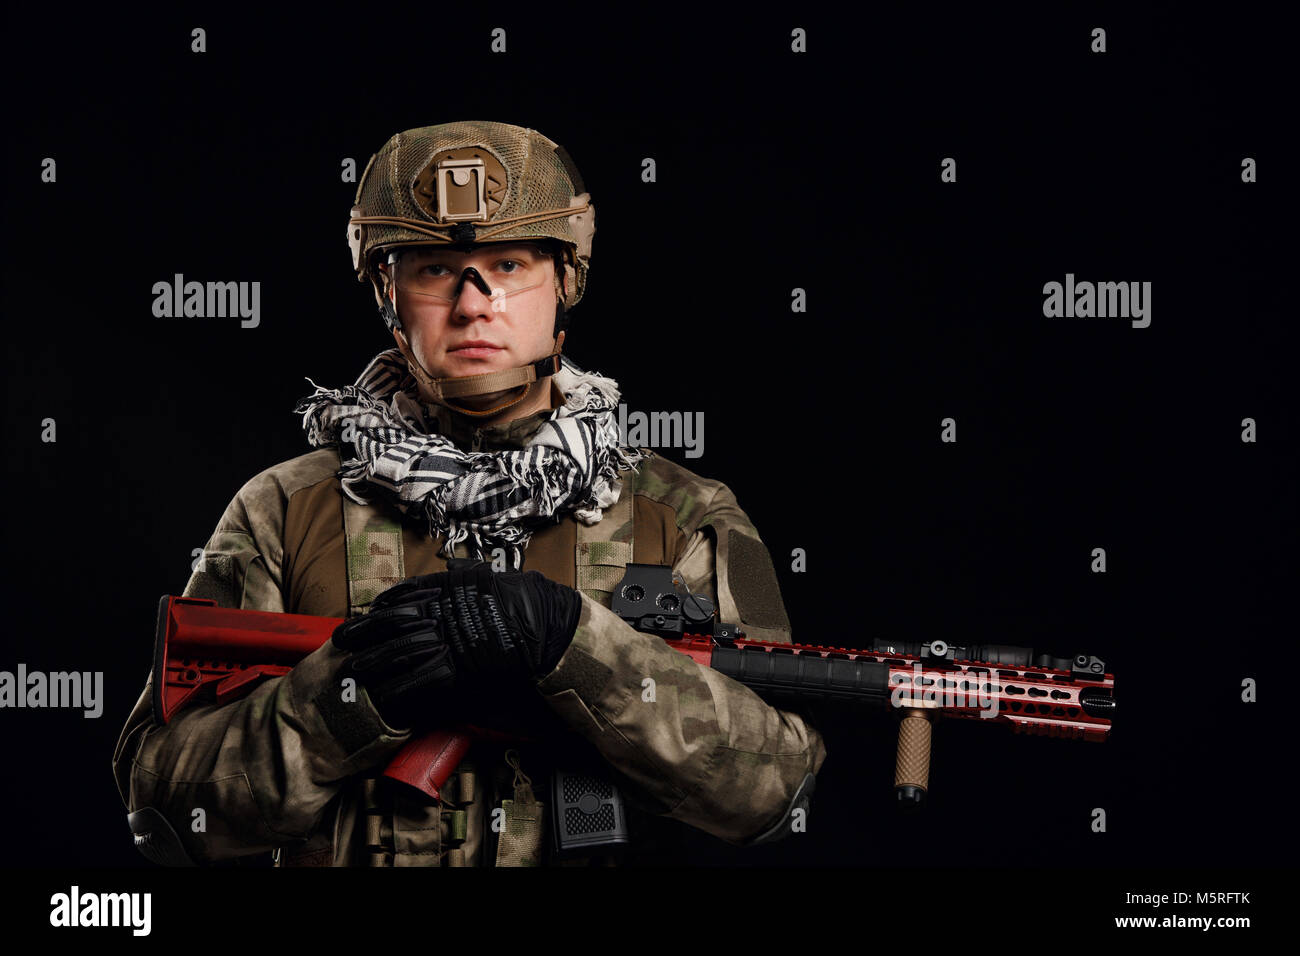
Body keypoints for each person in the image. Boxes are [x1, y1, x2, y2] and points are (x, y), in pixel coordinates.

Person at [112, 120, 825, 866]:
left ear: (566, 281)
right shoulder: (286, 511)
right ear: (387, 291)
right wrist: (355, 696)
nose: (475, 303)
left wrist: (578, 648)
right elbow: (160, 802)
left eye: (510, 264)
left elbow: (774, 788)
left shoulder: (680, 516)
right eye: (434, 269)